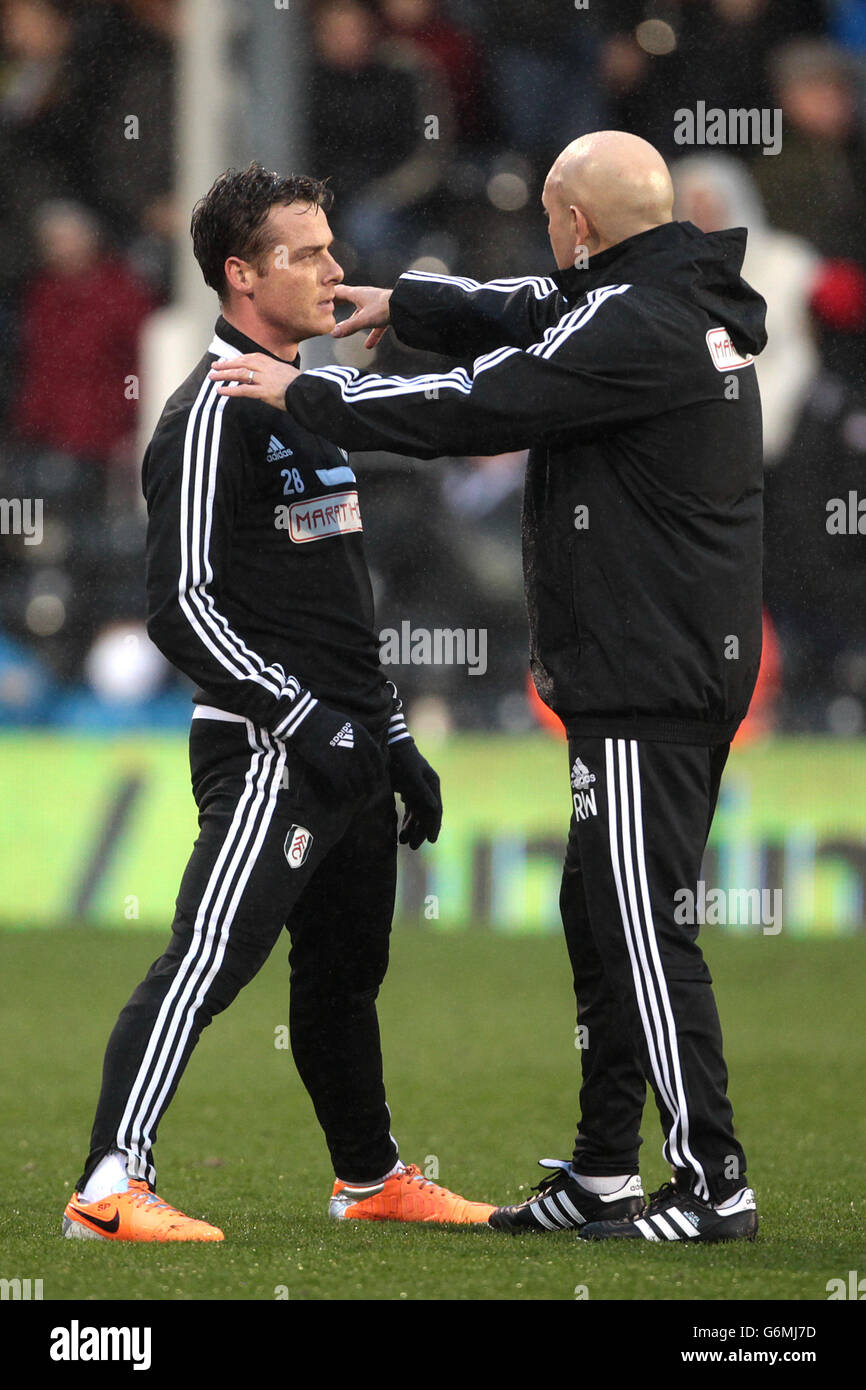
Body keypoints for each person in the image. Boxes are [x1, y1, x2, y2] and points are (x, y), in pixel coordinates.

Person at [211, 130, 766, 1244]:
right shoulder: (670, 292)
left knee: (638, 928)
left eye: (553, 226)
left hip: (640, 671)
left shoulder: (630, 321)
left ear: (573, 224)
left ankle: (714, 1185)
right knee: (600, 910)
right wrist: (407, 303)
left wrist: (304, 396)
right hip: (666, 662)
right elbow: (526, 307)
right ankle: (604, 1172)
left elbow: (475, 402)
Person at [61, 162, 496, 1243]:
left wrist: (391, 736)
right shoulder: (210, 410)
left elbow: (334, 602)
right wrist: (302, 716)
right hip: (270, 748)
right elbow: (182, 609)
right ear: (240, 275)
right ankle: (109, 1185)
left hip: (345, 745)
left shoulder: (303, 395)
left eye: (330, 246)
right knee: (207, 959)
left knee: (344, 980)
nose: (335, 270)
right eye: (306, 253)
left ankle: (368, 1178)